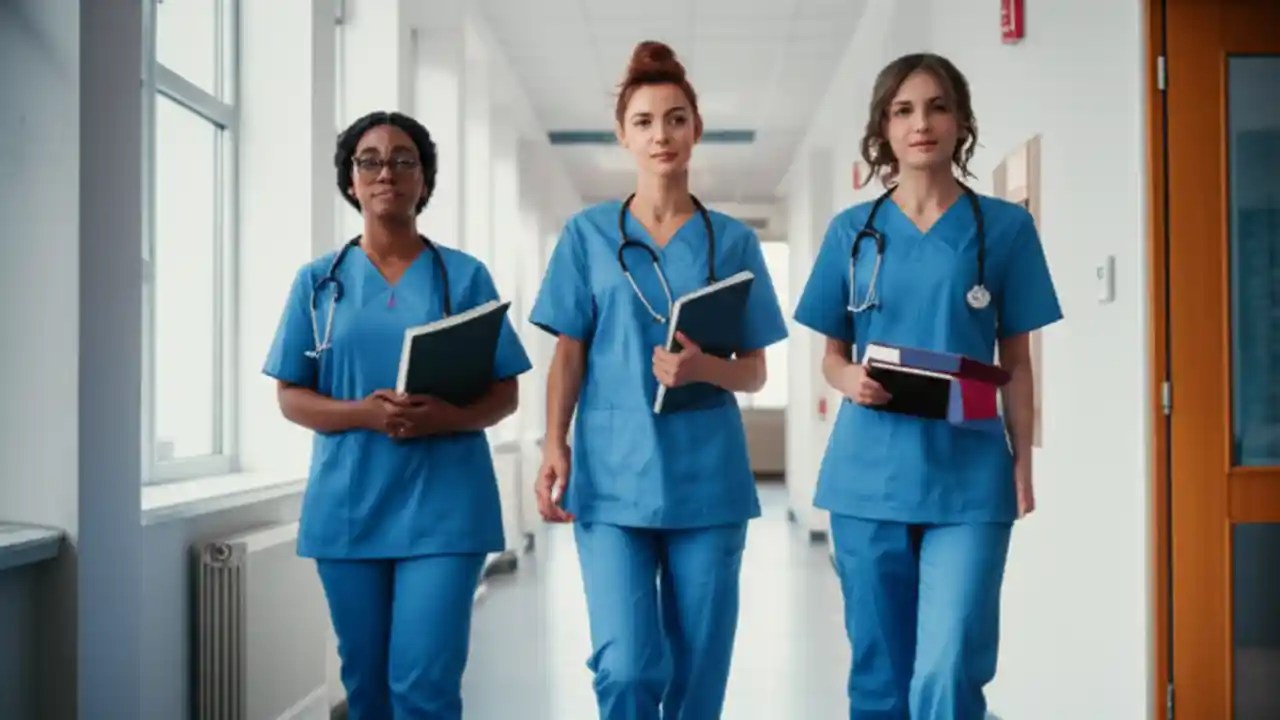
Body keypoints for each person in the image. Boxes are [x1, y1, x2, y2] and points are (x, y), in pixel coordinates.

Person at [793, 53, 1063, 719]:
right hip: (868, 478)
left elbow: (1019, 360)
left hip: (969, 477)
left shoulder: (1003, 229)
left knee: (946, 672)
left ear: (962, 121)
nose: (922, 123)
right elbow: (829, 356)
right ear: (883, 126)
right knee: (881, 678)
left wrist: (1023, 461)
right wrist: (848, 376)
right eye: (904, 110)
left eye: (938, 106)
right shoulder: (850, 233)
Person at [529, 40, 789, 720]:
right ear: (622, 135)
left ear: (696, 129)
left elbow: (757, 368)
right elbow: (568, 354)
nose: (661, 135)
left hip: (708, 480)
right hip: (612, 478)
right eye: (644, 121)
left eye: (676, 118)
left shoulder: (732, 241)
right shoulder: (587, 236)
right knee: (625, 667)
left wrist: (703, 367)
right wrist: (553, 444)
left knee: (698, 673)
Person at [263, 110, 531, 719]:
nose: (387, 171)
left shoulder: (463, 276)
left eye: (405, 159)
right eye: (370, 160)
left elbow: (504, 393)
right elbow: (290, 395)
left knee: (425, 687)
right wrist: (363, 412)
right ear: (351, 180)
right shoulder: (317, 283)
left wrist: (445, 418)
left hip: (445, 507)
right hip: (350, 505)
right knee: (367, 689)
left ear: (424, 181)